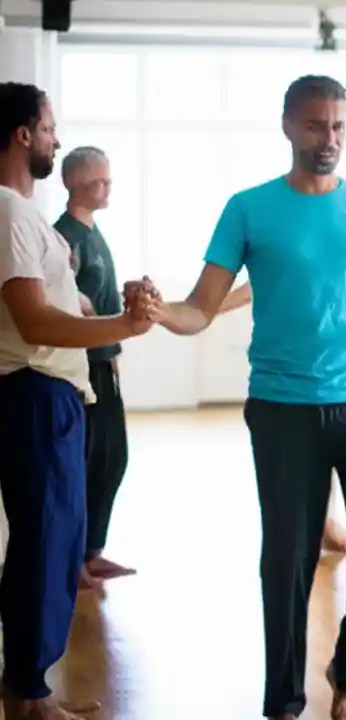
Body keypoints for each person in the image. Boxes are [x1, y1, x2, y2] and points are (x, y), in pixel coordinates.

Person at [147, 75, 346, 720]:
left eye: (339, 125)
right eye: (316, 125)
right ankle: (283, 703)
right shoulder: (249, 208)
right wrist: (158, 312)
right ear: (288, 126)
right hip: (283, 409)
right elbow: (201, 308)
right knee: (285, 562)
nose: (329, 138)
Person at [0, 82, 159, 720]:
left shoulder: (23, 214)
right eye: (48, 127)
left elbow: (59, 304)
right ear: (22, 135)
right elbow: (34, 320)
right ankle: (29, 699)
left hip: (51, 394)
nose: (55, 139)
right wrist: (124, 327)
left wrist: (107, 306)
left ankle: (26, 688)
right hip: (35, 393)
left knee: (54, 542)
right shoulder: (10, 211)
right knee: (45, 542)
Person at [217, 278, 346, 555]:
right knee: (318, 442)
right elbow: (263, 282)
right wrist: (208, 306)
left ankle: (327, 521)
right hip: (311, 369)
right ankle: (321, 521)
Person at [52, 146, 138, 590]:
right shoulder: (63, 237)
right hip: (82, 370)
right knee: (86, 464)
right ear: (75, 185)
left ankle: (92, 551)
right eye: (98, 182)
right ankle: (75, 558)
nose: (107, 188)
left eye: (108, 180)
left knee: (112, 459)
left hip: (106, 365)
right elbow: (62, 296)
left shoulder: (93, 233)